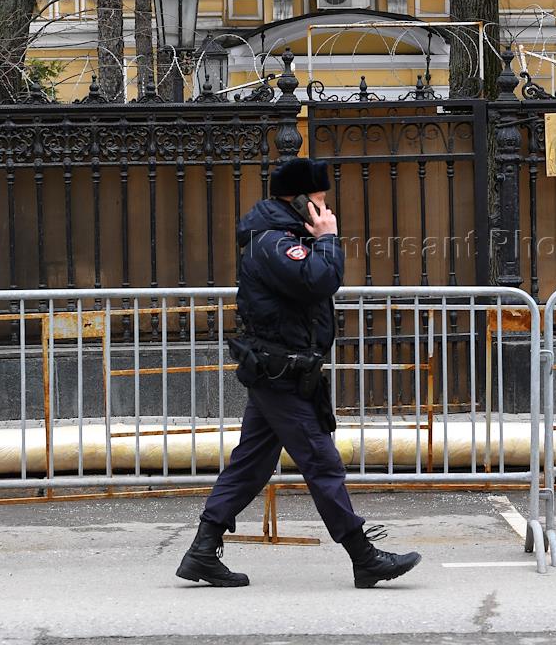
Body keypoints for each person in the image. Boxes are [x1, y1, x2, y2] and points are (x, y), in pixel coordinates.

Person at [176, 157, 422, 588]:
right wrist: (328, 239)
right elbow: (319, 280)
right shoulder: (272, 242)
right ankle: (363, 556)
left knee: (251, 465)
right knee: (322, 463)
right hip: (280, 374)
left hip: (281, 371)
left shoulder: (281, 236)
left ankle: (202, 551)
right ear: (302, 198)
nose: (327, 208)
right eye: (321, 198)